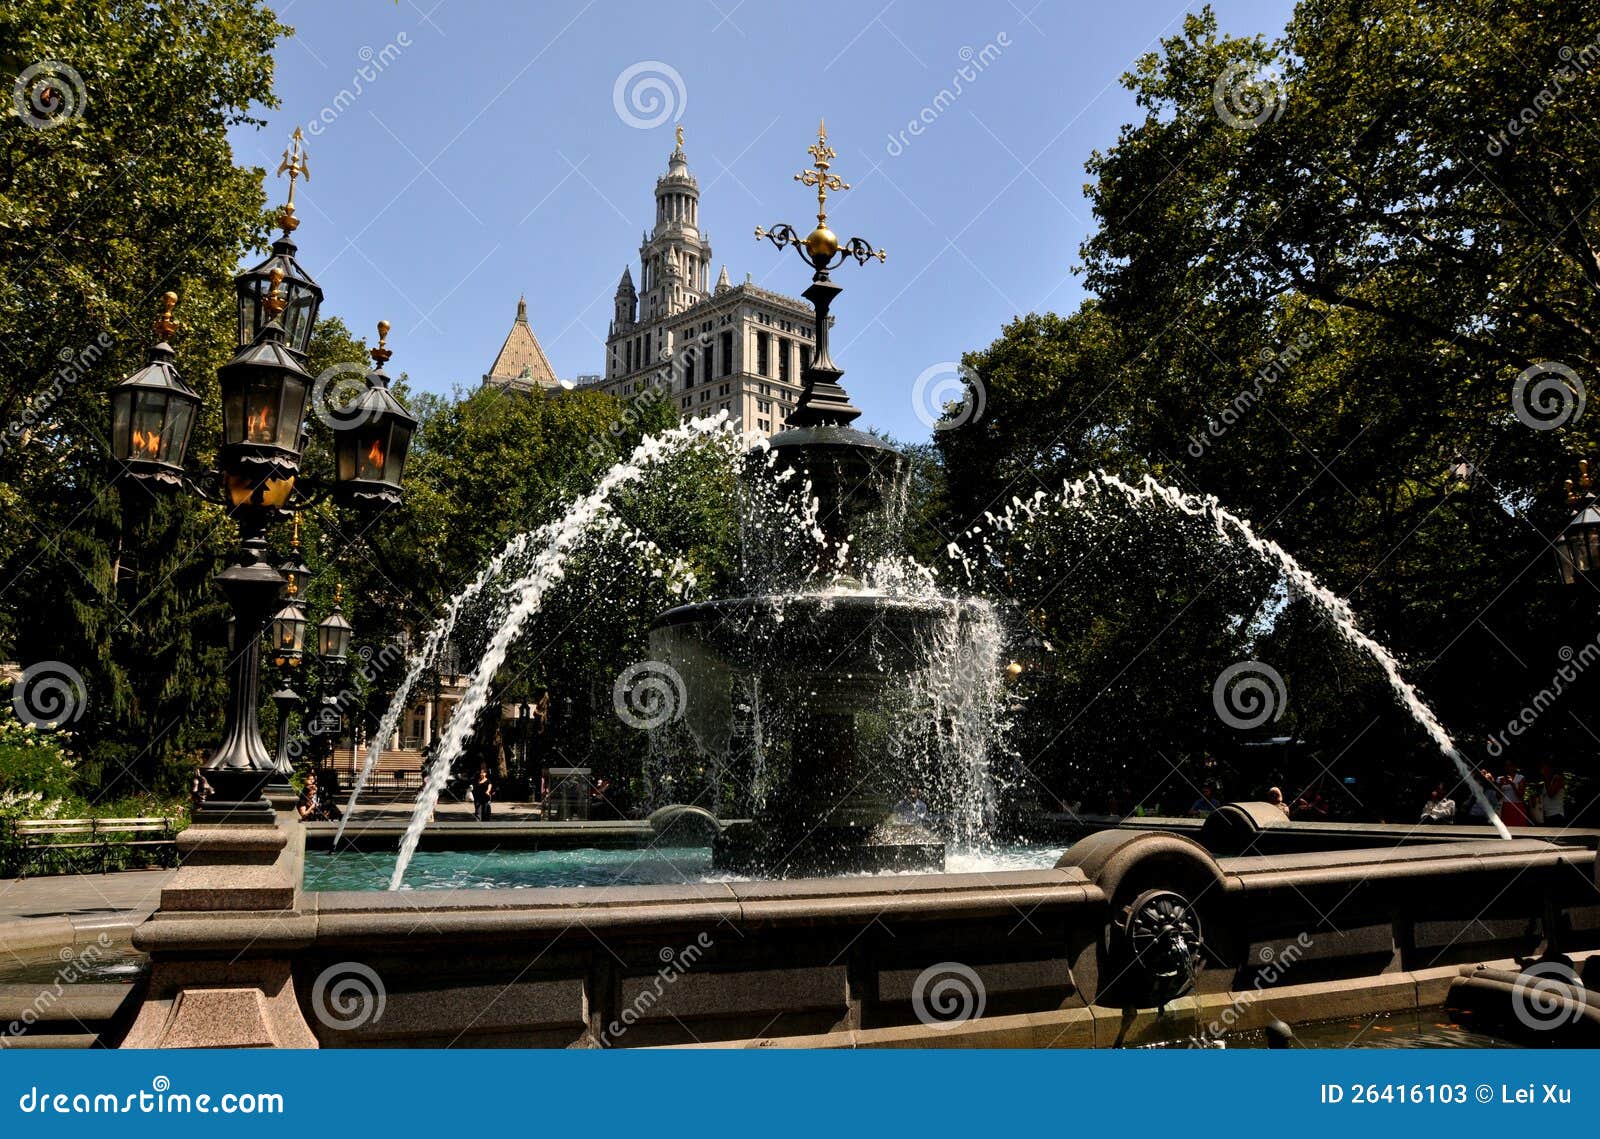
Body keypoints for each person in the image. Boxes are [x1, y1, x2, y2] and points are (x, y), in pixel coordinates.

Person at [1481, 760, 1529, 828]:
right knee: (1506, 828)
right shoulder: (1500, 778)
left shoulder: (1520, 778)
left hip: (1517, 806)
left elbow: (1521, 796)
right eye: (1506, 766)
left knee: (1519, 828)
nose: (1508, 767)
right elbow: (1498, 797)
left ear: (1514, 767)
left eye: (1510, 765)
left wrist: (1512, 784)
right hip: (1505, 807)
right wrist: (1500, 785)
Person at [1537, 761, 1567, 828]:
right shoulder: (1547, 781)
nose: (1542, 770)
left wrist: (1546, 777)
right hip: (1547, 814)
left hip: (1556, 815)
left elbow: (1551, 794)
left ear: (1550, 768)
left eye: (1544, 768)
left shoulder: (1557, 778)